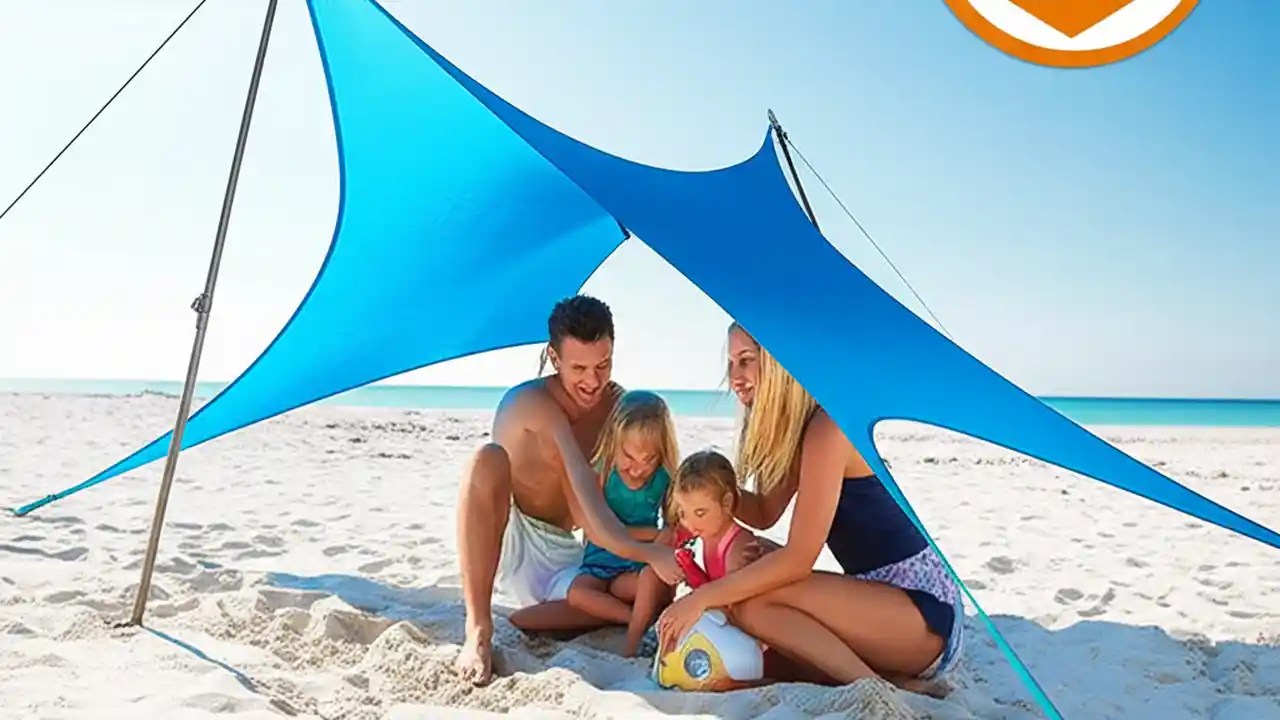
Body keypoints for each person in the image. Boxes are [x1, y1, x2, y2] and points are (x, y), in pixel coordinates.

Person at [657, 322, 964, 690]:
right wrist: (709, 491)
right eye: (731, 363)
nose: (735, 377)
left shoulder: (826, 428)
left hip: (924, 612)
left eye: (746, 360)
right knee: (751, 605)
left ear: (778, 362)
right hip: (875, 602)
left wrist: (700, 599)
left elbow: (799, 558)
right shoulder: (798, 431)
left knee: (750, 599)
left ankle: (877, 689)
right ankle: (881, 682)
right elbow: (764, 512)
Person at [454, 295, 683, 685]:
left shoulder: (617, 404)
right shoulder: (534, 404)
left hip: (578, 552)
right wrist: (650, 551)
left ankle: (582, 618)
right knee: (486, 458)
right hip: (519, 541)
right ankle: (478, 627)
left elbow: (657, 468)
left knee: (630, 593)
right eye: (578, 367)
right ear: (554, 359)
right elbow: (591, 511)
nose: (592, 381)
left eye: (603, 365)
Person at [510, 390, 680, 657]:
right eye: (629, 457)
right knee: (578, 595)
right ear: (614, 443)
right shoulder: (602, 472)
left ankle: (634, 638)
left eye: (649, 459)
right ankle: (632, 619)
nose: (637, 469)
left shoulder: (664, 478)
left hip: (633, 569)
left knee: (647, 580)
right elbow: (602, 527)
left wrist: (663, 538)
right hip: (599, 561)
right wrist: (650, 534)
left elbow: (673, 527)